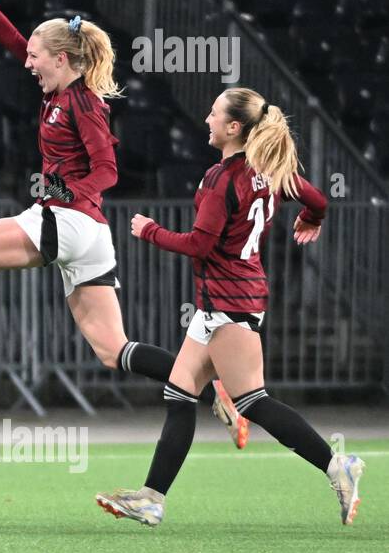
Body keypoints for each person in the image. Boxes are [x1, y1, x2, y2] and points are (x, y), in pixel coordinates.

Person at [0, 0, 244, 450]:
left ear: (62, 59)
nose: (27, 63)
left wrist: (66, 192)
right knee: (114, 350)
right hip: (89, 233)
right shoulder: (60, 90)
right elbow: (12, 38)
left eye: (36, 58)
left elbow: (107, 169)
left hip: (68, 220)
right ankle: (212, 381)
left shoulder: (82, 103)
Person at [97, 89, 364, 527]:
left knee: (253, 401)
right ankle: (151, 498)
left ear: (234, 127)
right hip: (223, 300)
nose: (207, 119)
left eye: (215, 113)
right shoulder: (272, 170)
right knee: (180, 394)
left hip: (229, 302)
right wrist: (310, 219)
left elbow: (200, 245)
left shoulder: (221, 179)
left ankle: (337, 465)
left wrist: (149, 231)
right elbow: (318, 200)